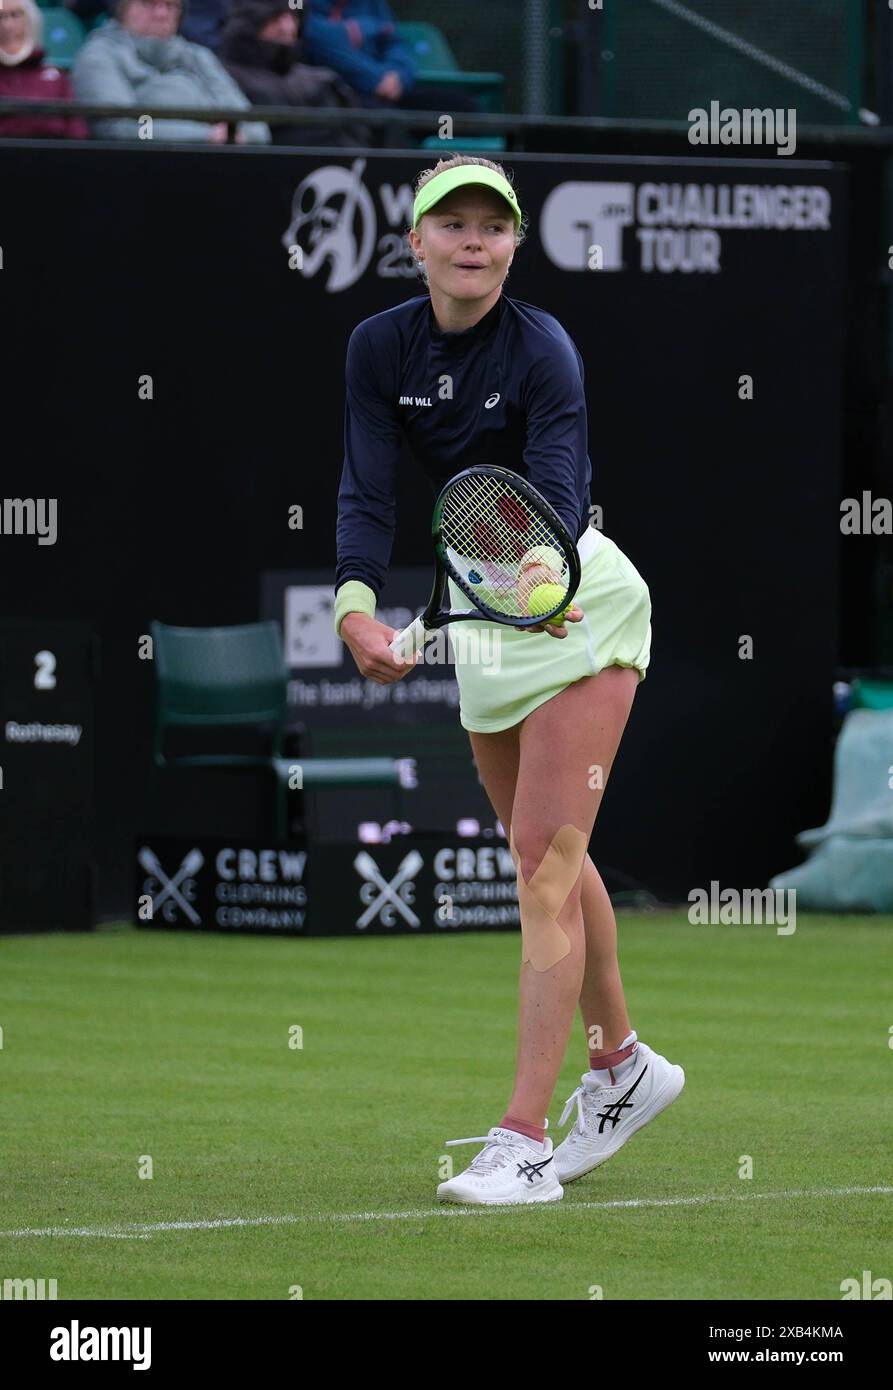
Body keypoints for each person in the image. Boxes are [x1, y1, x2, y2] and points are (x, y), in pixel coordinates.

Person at [333, 154, 684, 1206]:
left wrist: (542, 565)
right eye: (453, 224)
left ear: (514, 245)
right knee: (549, 857)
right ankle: (619, 1065)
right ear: (418, 244)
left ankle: (522, 1140)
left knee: (541, 859)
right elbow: (364, 484)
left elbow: (559, 478)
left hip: (579, 602)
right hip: (481, 613)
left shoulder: (543, 349)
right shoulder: (375, 346)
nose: (472, 239)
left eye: (492, 225)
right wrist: (355, 603)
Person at [72, 0, 270, 142]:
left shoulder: (199, 56)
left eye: (170, 6)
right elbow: (120, 128)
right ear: (123, 10)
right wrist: (206, 136)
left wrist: (232, 136)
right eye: (148, 4)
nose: (161, 14)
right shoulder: (98, 56)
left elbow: (256, 128)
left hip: (214, 169)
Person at [219, 0, 371, 147]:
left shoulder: (323, 81)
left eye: (293, 16)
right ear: (250, 23)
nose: (288, 27)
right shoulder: (221, 79)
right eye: (276, 18)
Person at [303, 0, 482, 114]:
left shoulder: (373, 4)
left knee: (461, 106)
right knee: (387, 119)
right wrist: (375, 80)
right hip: (341, 92)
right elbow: (319, 43)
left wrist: (398, 76)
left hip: (391, 88)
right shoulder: (301, 6)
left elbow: (395, 41)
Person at [0, 0, 89, 139]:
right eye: (0, 17)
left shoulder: (57, 78)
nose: (7, 25)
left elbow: (78, 134)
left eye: (16, 15)